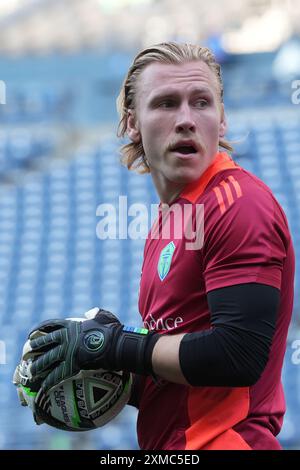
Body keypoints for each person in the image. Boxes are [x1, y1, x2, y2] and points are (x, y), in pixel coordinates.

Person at [23, 42, 295, 450]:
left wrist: (114, 346)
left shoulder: (238, 203)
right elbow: (184, 373)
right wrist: (98, 369)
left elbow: (238, 354)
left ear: (221, 120)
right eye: (166, 104)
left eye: (201, 103)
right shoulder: (171, 220)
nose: (186, 119)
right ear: (133, 123)